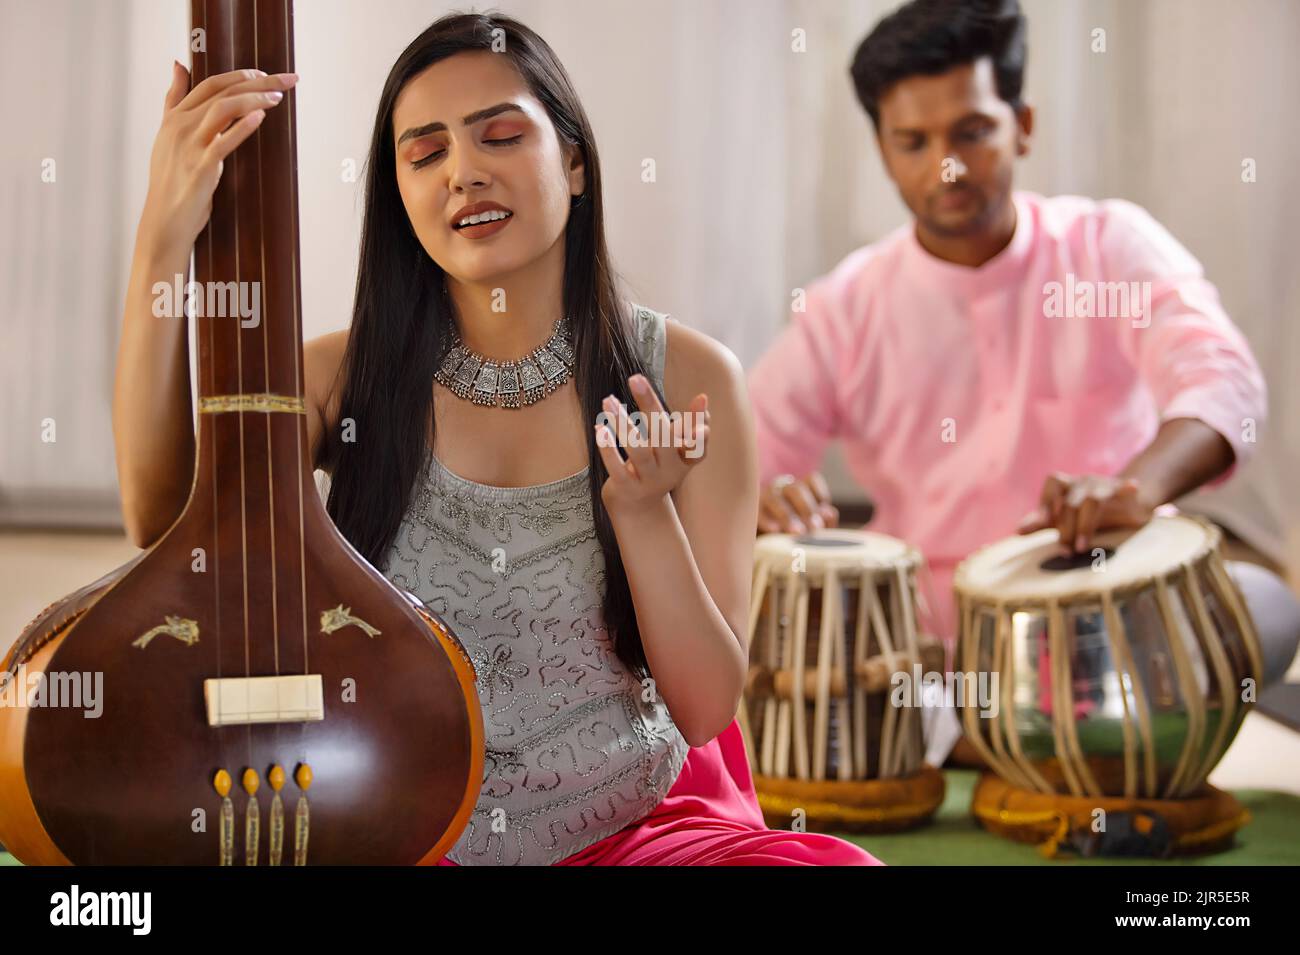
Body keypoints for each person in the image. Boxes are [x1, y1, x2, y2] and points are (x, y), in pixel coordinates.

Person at [114, 11, 878, 866]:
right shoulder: (337, 378)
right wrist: (161, 244)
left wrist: (642, 510)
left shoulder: (688, 376)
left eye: (501, 135)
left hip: (636, 830)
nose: (465, 172)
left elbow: (704, 708)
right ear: (399, 196)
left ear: (577, 163)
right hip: (401, 833)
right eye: (426, 153)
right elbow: (165, 525)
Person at [749, 0, 1300, 691]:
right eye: (913, 141)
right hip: (930, 647)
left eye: (971, 131)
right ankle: (1006, 727)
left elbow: (1222, 380)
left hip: (1112, 614)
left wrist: (1137, 487)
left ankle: (993, 735)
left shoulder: (1107, 246)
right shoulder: (845, 306)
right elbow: (748, 459)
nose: (946, 168)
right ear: (883, 150)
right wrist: (768, 501)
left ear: (1024, 126)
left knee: (1267, 606)